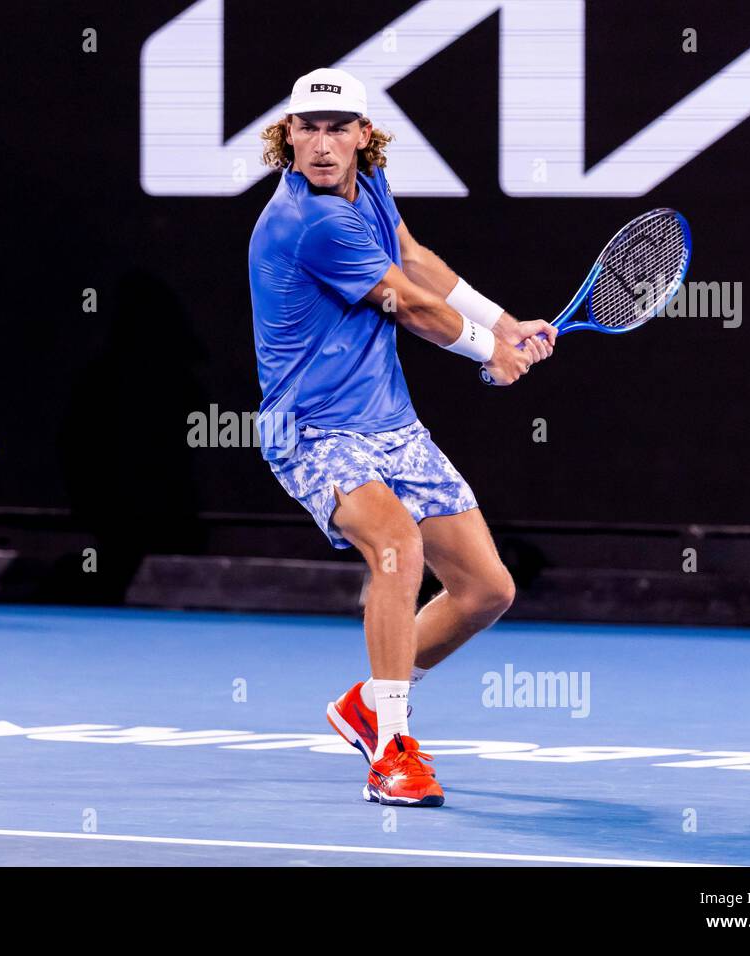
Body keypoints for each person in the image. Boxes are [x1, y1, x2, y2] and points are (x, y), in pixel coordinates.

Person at [248, 68, 556, 807]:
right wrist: (490, 352)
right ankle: (389, 747)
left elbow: (413, 257)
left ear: (363, 136)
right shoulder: (307, 221)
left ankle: (365, 702)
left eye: (337, 129)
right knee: (397, 547)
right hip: (313, 430)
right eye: (307, 129)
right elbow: (408, 304)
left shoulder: (368, 184)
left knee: (486, 589)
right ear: (287, 136)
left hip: (390, 425)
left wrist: (503, 320)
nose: (322, 145)